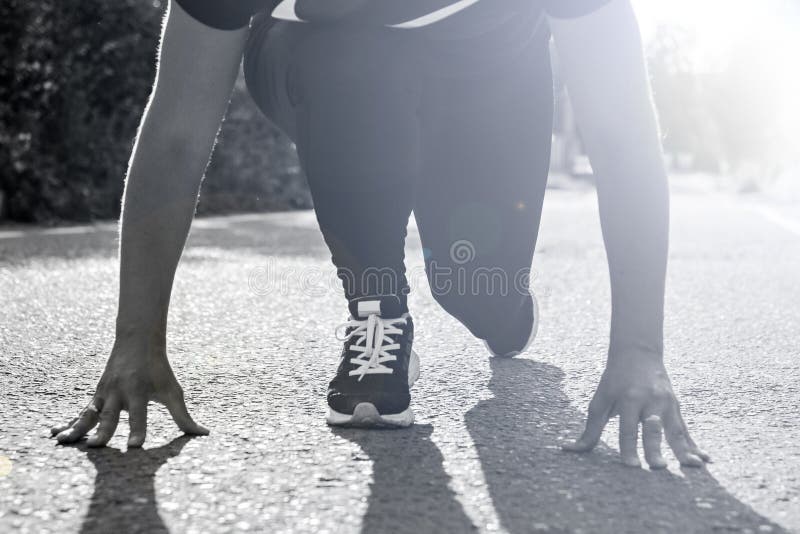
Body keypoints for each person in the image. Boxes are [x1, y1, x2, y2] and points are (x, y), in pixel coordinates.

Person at [51, 0, 710, 469]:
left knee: (471, 287)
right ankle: (377, 310)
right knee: (351, 56)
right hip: (327, 62)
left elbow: (622, 132)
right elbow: (176, 133)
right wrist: (136, 340)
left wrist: (639, 350)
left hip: (491, 66)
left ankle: (499, 306)